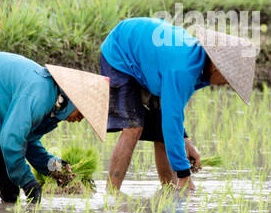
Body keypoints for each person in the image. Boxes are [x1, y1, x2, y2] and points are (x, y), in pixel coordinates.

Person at [99, 17, 255, 193]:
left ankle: (170, 192)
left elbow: (172, 111)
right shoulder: (184, 69)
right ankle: (111, 194)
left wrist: (185, 141)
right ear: (218, 68)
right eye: (228, 80)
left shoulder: (197, 65)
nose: (225, 84)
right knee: (133, 128)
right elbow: (172, 120)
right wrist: (184, 174)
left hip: (147, 60)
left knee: (162, 135)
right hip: (120, 52)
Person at [0, 51, 108, 204]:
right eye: (82, 113)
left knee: (10, 194)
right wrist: (29, 183)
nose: (80, 120)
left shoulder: (53, 106)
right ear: (74, 101)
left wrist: (57, 169)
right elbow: (11, 140)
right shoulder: (40, 94)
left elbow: (27, 143)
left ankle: (6, 212)